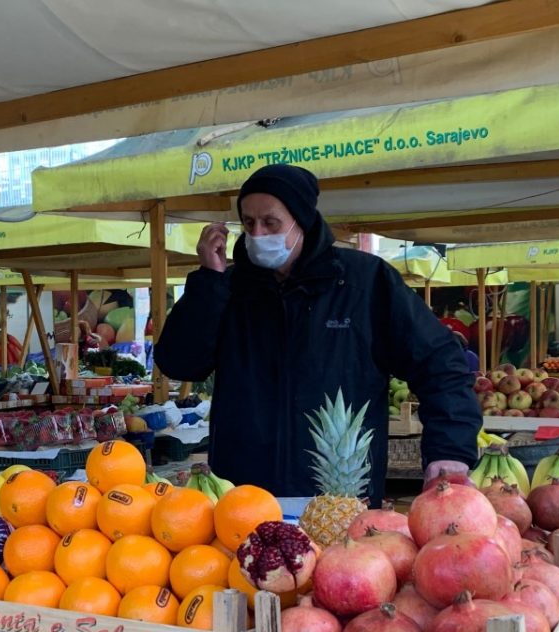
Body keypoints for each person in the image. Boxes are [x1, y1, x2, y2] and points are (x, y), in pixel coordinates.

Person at [155, 164, 479, 503]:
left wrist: (448, 450)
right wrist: (209, 282)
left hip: (341, 499)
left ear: (302, 221)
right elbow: (180, 363)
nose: (258, 233)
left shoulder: (364, 282)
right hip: (242, 499)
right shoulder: (230, 289)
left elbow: (440, 362)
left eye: (270, 222)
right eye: (249, 223)